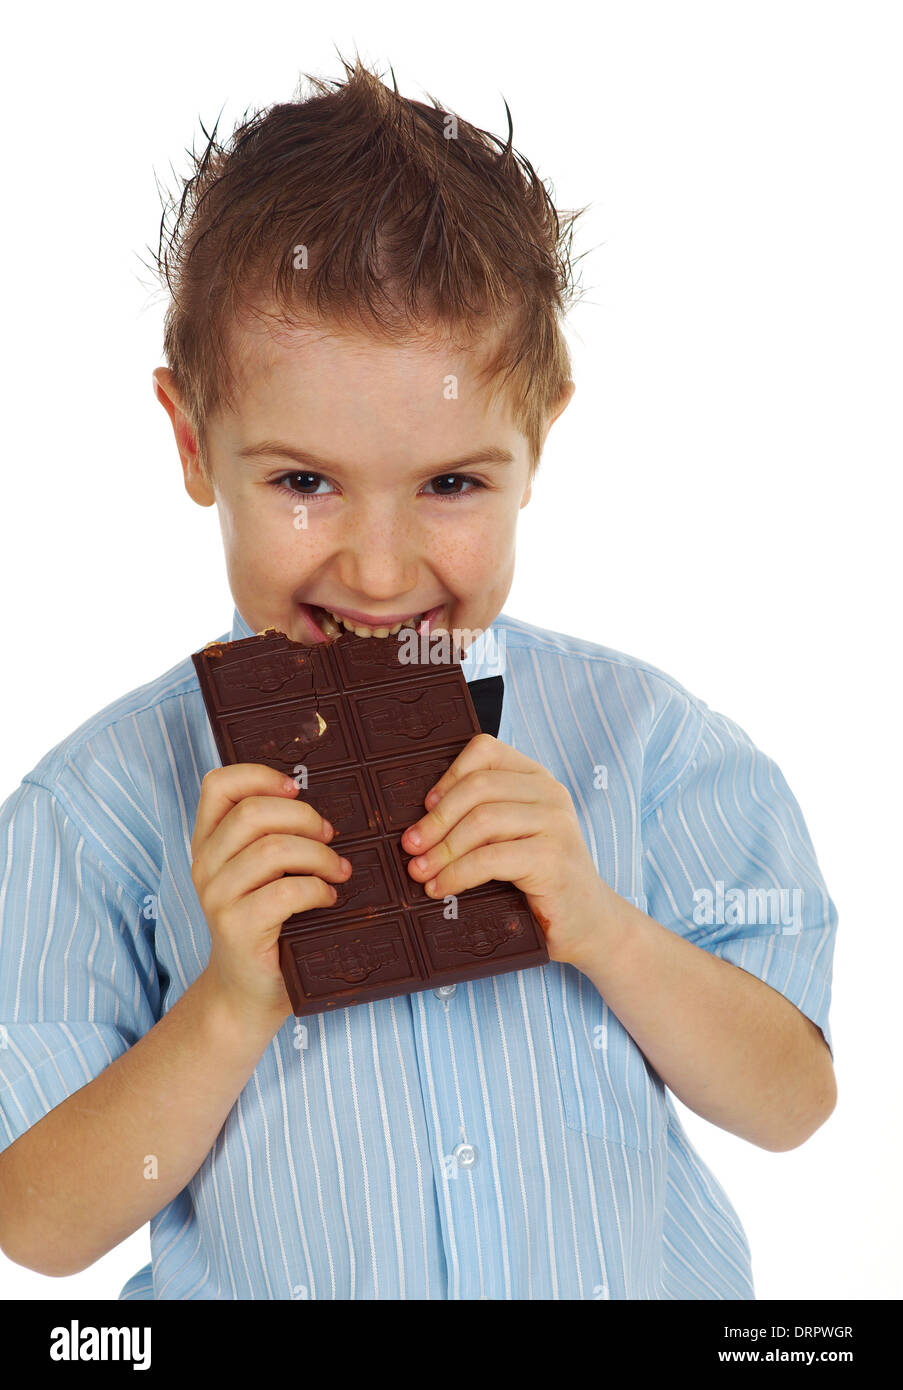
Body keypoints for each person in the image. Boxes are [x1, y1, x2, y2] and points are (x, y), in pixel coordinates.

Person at [0, 54, 836, 1300]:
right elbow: (40, 1226)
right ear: (192, 442)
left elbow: (791, 1104)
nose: (381, 571)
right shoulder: (96, 811)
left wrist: (599, 929)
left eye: (451, 484)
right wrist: (231, 1002)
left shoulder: (652, 744)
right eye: (303, 482)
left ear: (537, 435)